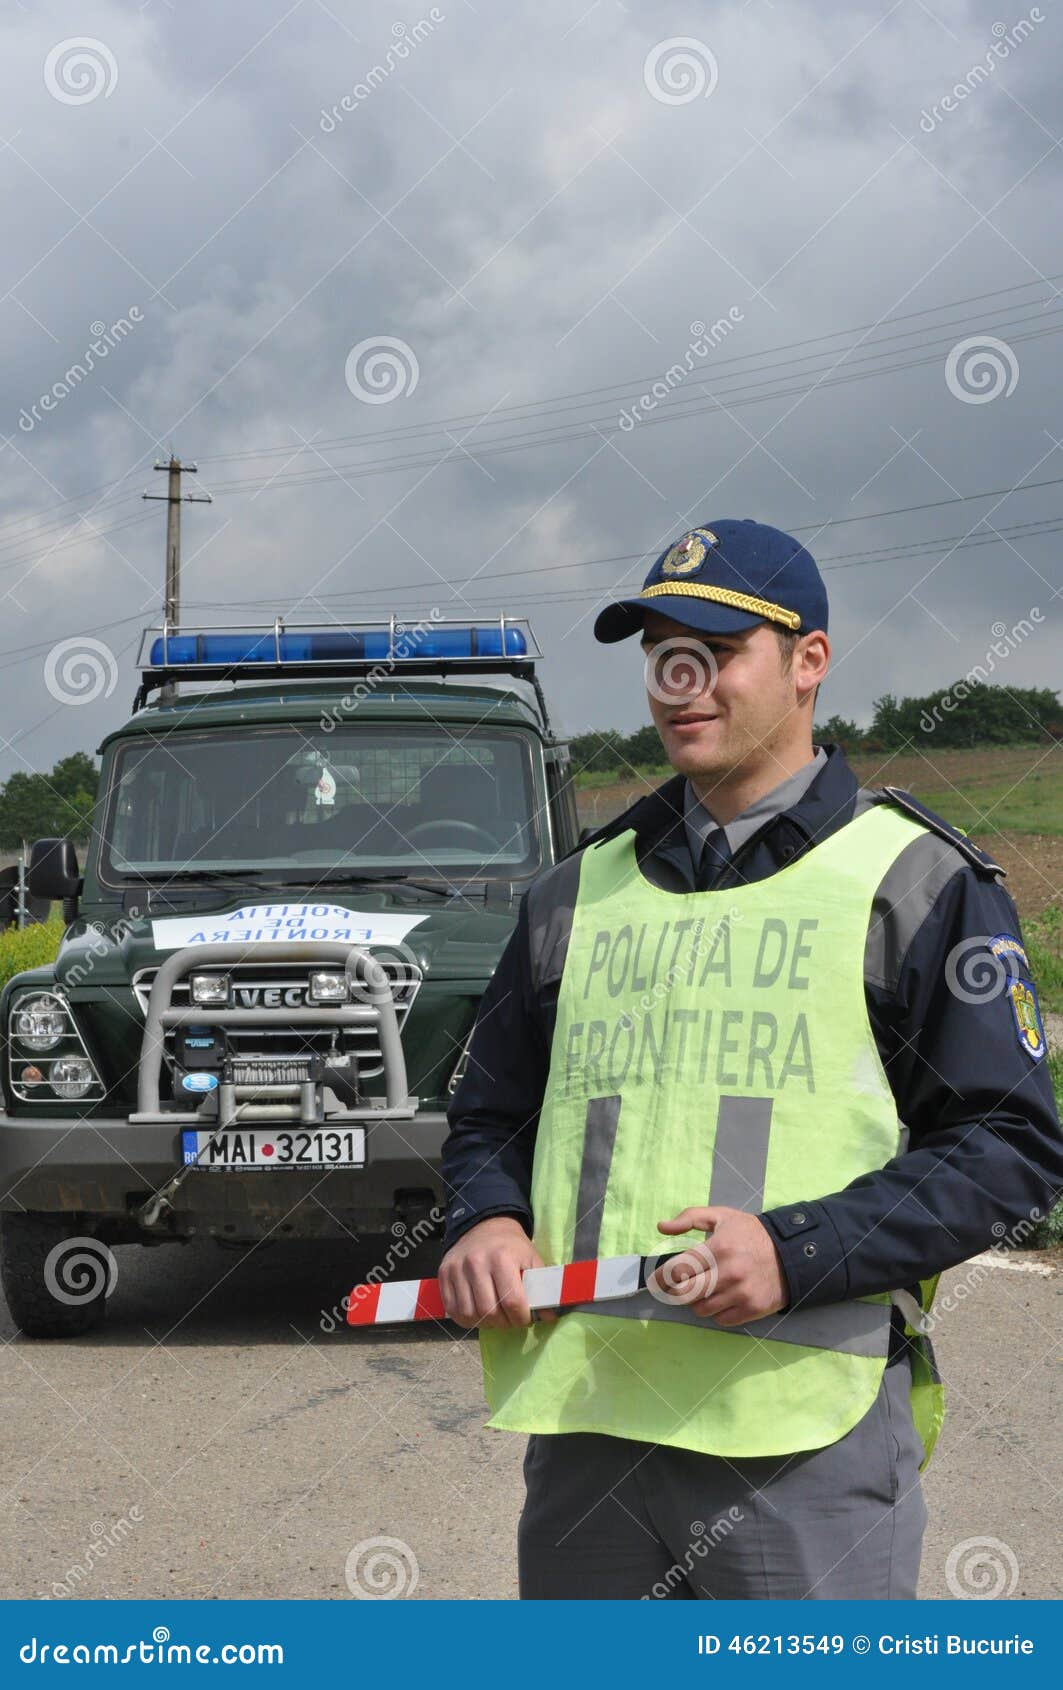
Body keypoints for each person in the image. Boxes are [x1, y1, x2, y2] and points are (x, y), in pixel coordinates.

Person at [438, 518, 1063, 1600]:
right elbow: (490, 1116)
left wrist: (797, 1249)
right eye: (660, 654)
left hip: (798, 1441)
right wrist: (486, 1216)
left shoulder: (913, 884)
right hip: (590, 1435)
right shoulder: (572, 896)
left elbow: (1009, 1145)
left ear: (808, 661)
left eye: (716, 651)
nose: (678, 683)